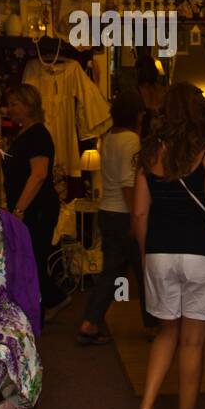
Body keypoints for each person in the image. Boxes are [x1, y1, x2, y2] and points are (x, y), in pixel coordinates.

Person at [131, 82, 205, 409]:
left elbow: (140, 213)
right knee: (192, 342)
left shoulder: (148, 153)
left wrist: (148, 257)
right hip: (201, 256)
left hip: (160, 253)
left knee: (166, 332)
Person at [77, 90, 150, 345]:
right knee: (142, 271)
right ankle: (152, 325)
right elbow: (128, 183)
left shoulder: (108, 137)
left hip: (107, 210)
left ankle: (91, 320)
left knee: (112, 270)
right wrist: (136, 218)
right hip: (123, 213)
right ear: (137, 114)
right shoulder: (131, 140)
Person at [4, 83, 63, 319]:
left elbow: (38, 174)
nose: (9, 109)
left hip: (36, 208)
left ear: (28, 106)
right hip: (30, 207)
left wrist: (20, 208)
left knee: (33, 257)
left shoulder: (37, 134)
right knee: (31, 257)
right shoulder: (27, 133)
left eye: (14, 104)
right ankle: (45, 303)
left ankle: (49, 301)